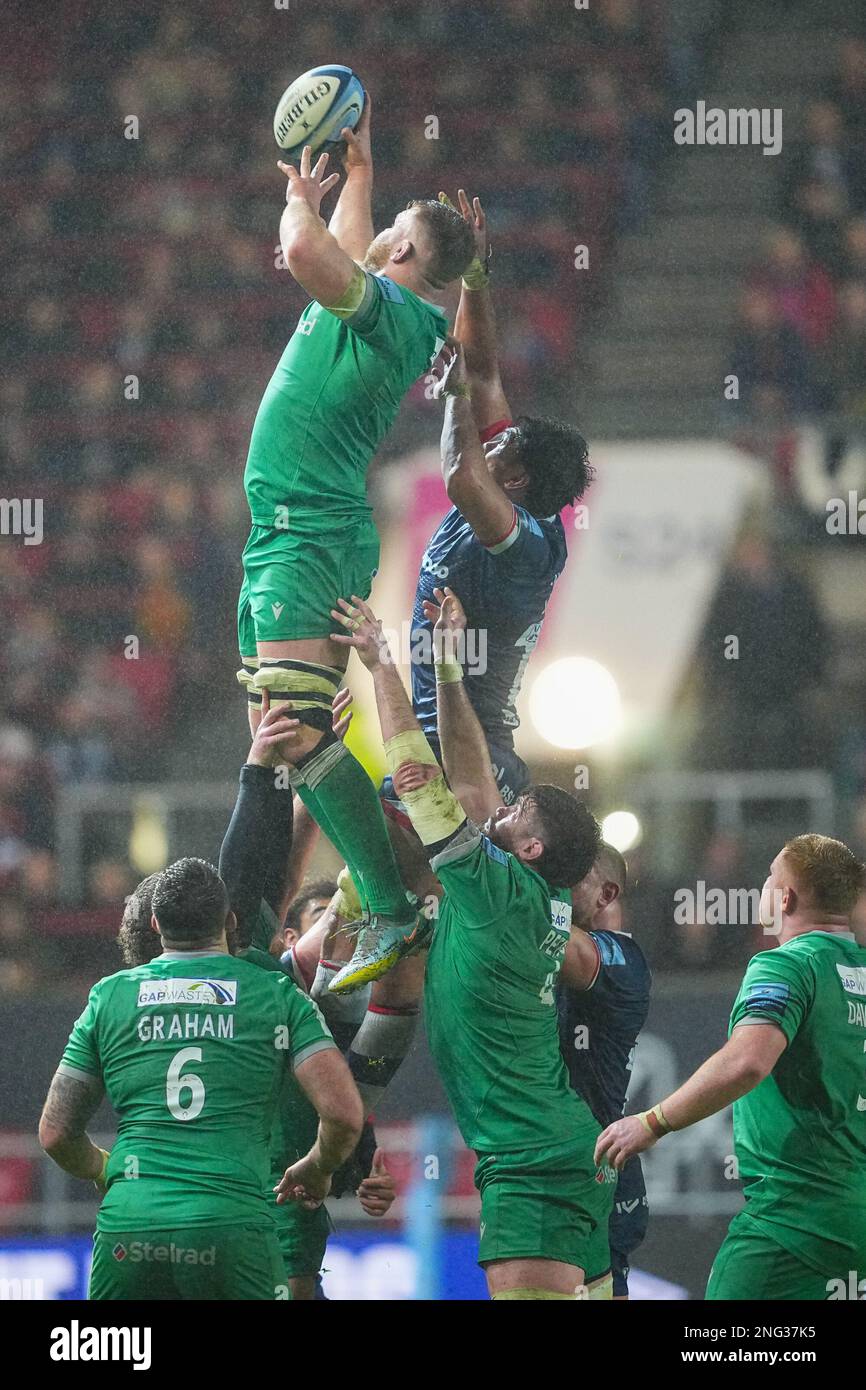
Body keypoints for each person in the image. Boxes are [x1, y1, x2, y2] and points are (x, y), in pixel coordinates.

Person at [237, 98, 475, 992]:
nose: (374, 237)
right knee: (272, 734)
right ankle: (262, 922)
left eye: (390, 231)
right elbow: (343, 245)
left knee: (293, 733)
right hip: (280, 534)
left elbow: (309, 249)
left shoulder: (398, 317)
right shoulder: (378, 299)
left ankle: (387, 903)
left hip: (310, 535)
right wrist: (362, 173)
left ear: (405, 258)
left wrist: (299, 194)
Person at [336, 194, 592, 991]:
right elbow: (481, 369)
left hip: (473, 748)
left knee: (414, 884)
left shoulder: (521, 540)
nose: (496, 428)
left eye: (503, 443)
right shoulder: (511, 489)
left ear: (514, 476)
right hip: (447, 729)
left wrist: (447, 400)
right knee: (380, 882)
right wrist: (475, 277)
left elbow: (456, 466)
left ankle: (556, 969)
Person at [330, 588, 613, 1301]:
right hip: (558, 1150)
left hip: (530, 1166)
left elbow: (420, 780)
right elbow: (472, 780)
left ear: (532, 845)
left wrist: (381, 662)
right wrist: (448, 670)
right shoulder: (528, 895)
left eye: (516, 812)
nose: (501, 807)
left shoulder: (494, 890)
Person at [39, 856, 363, 1300]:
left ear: (155, 923)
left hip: (131, 1225)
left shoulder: (108, 997)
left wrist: (103, 1167)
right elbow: (343, 1114)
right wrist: (317, 1166)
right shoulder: (276, 995)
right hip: (232, 1225)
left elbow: (56, 1134)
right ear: (229, 921)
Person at [596, 834, 866, 1301]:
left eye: (768, 877)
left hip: (793, 1221)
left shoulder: (786, 966)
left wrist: (652, 1122)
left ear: (784, 898)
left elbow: (746, 1063)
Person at [558, 844, 652, 1299]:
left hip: (601, 1161)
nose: (555, 879)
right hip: (538, 1158)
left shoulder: (623, 958)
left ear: (606, 893)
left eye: (571, 871)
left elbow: (551, 935)